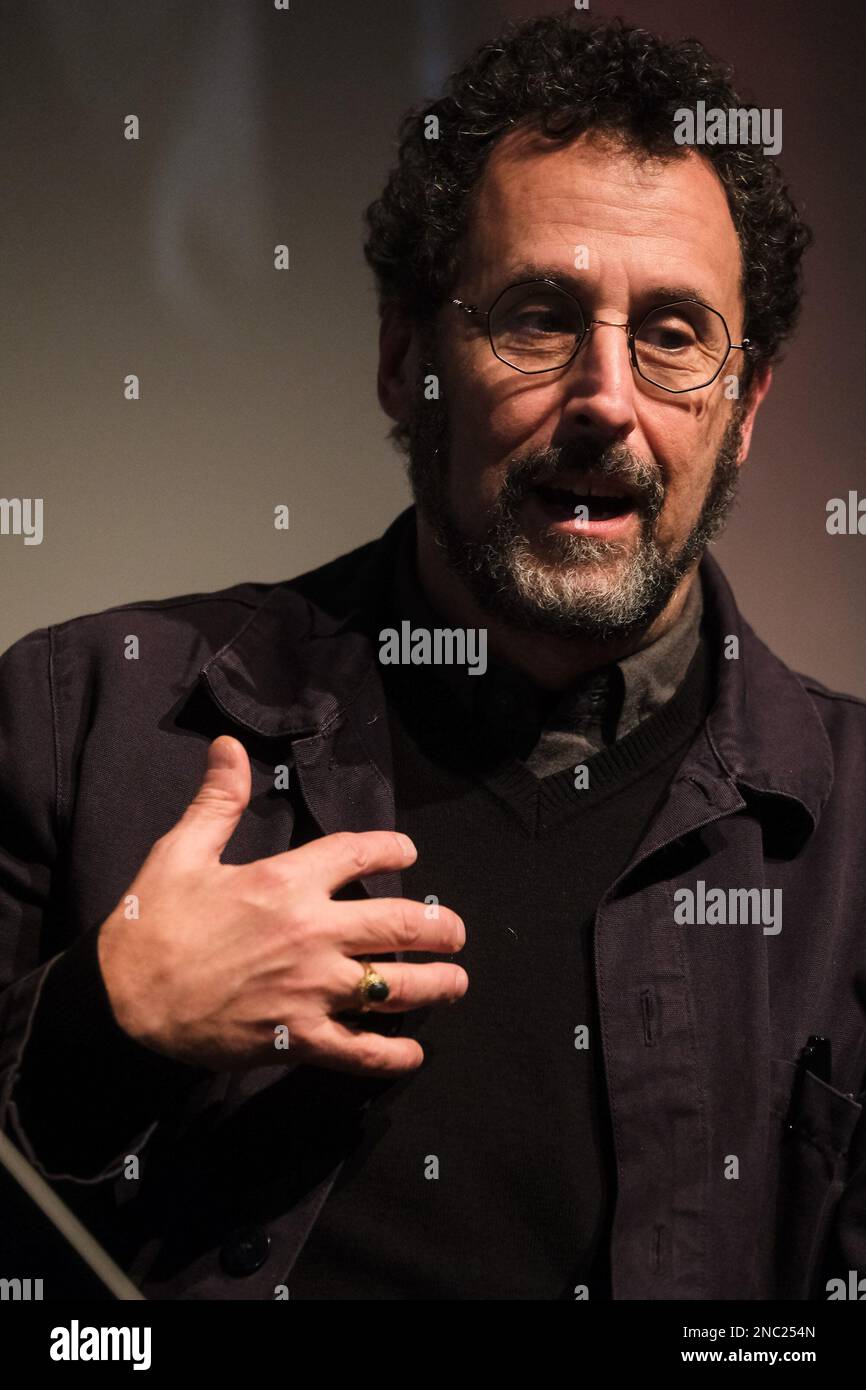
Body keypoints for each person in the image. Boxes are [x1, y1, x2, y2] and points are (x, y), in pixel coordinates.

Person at [1, 13, 863, 1301]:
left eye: (675, 336)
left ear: (742, 416)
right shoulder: (89, 711)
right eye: (537, 317)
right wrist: (103, 1022)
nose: (606, 398)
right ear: (411, 362)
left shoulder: (860, 836)